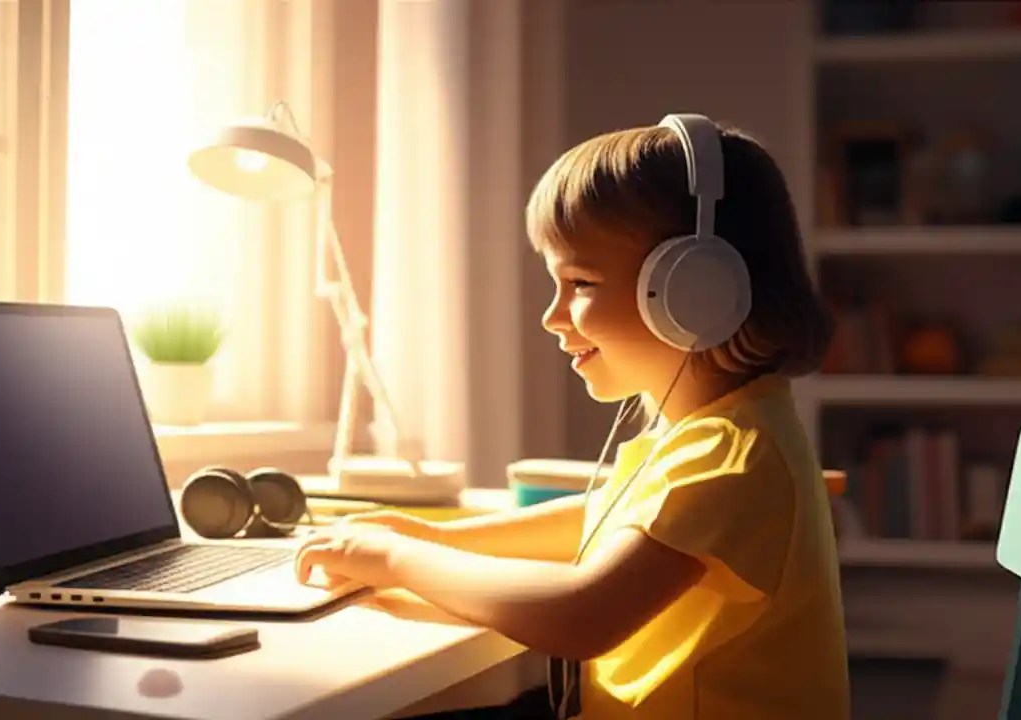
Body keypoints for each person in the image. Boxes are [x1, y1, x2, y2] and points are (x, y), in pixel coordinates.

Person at [294, 115, 850, 719]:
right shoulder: (715, 430)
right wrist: (432, 538)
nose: (551, 316)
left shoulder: (731, 454)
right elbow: (605, 522)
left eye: (580, 283)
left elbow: (581, 615)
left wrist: (394, 560)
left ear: (695, 291)